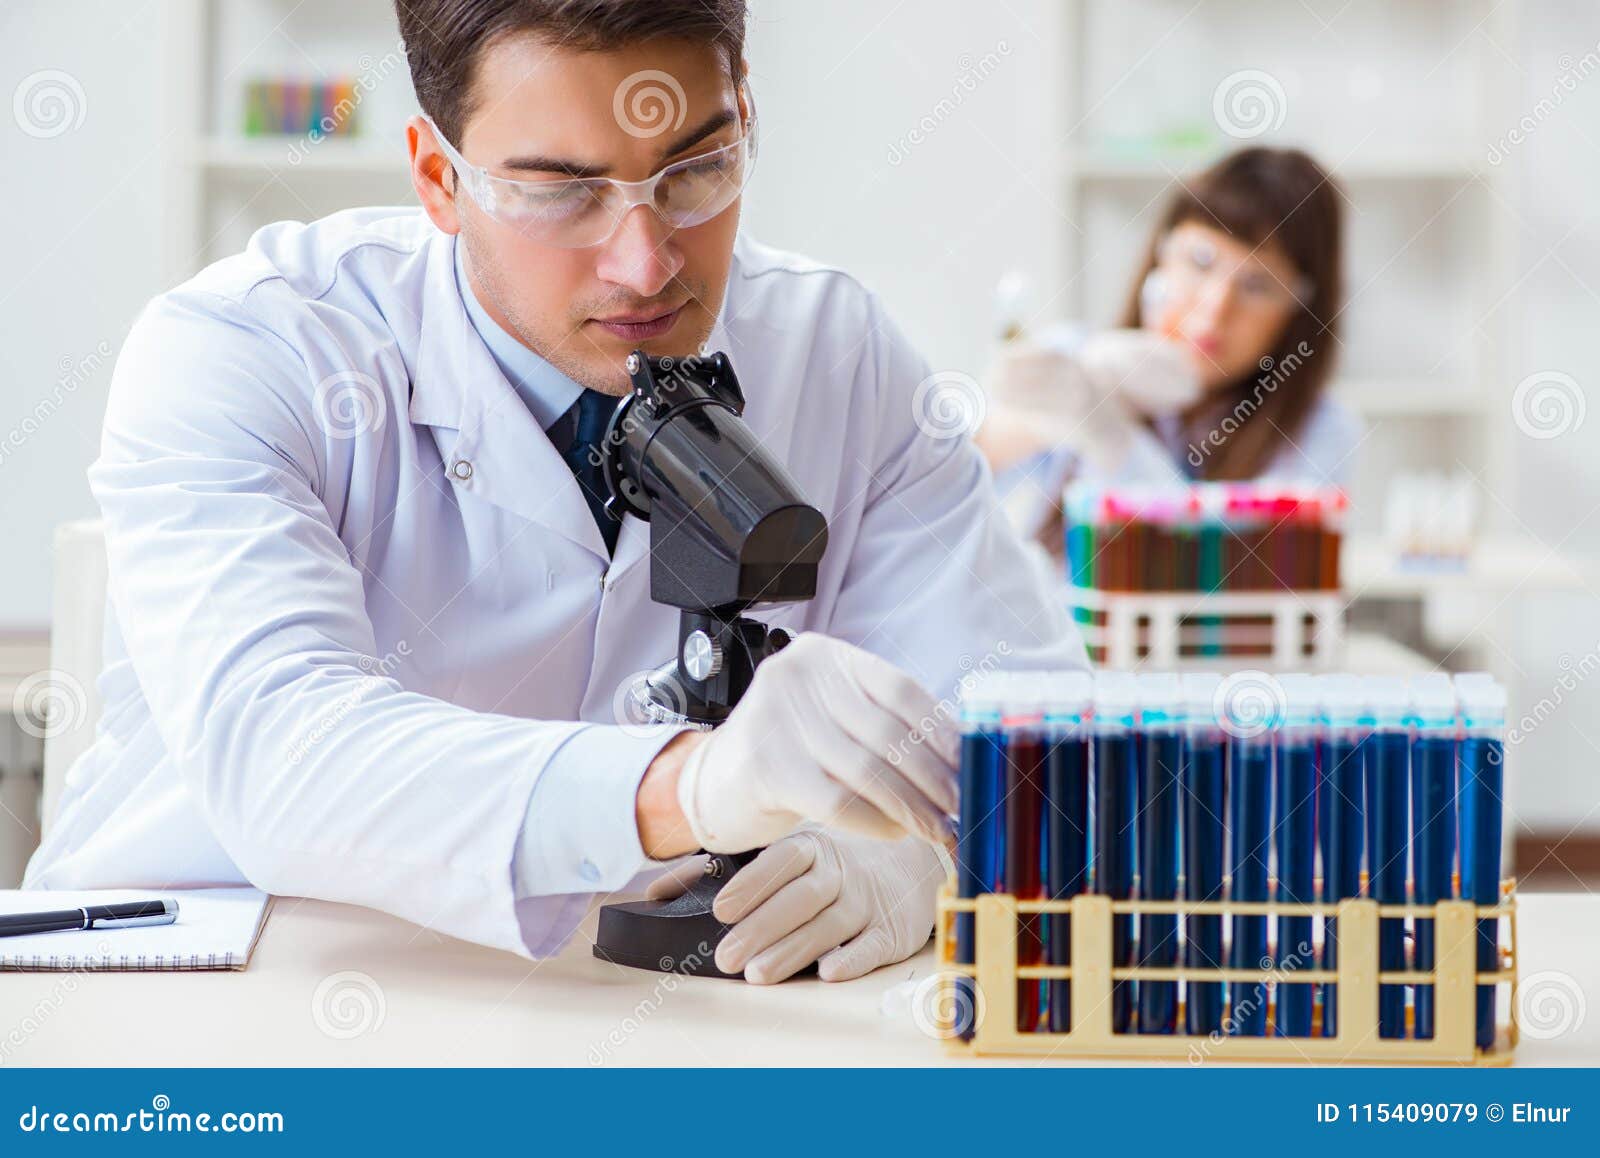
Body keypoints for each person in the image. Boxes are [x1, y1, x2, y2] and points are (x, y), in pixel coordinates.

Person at [25, 0, 1084, 985]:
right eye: (560, 192)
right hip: (224, 988)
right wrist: (692, 786)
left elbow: (1037, 733)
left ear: (745, 113)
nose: (644, 263)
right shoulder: (251, 344)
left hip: (640, 1017)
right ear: (437, 179)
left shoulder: (835, 349)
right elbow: (284, 755)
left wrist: (931, 863)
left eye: (696, 167)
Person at [978, 147, 1362, 552]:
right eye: (1200, 261)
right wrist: (1057, 412)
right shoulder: (1073, 356)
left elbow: (1230, 581)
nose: (1215, 308)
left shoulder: (1321, 432)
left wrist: (1115, 440)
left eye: (1257, 286)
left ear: (1297, 314)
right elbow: (942, 479)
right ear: (1160, 254)